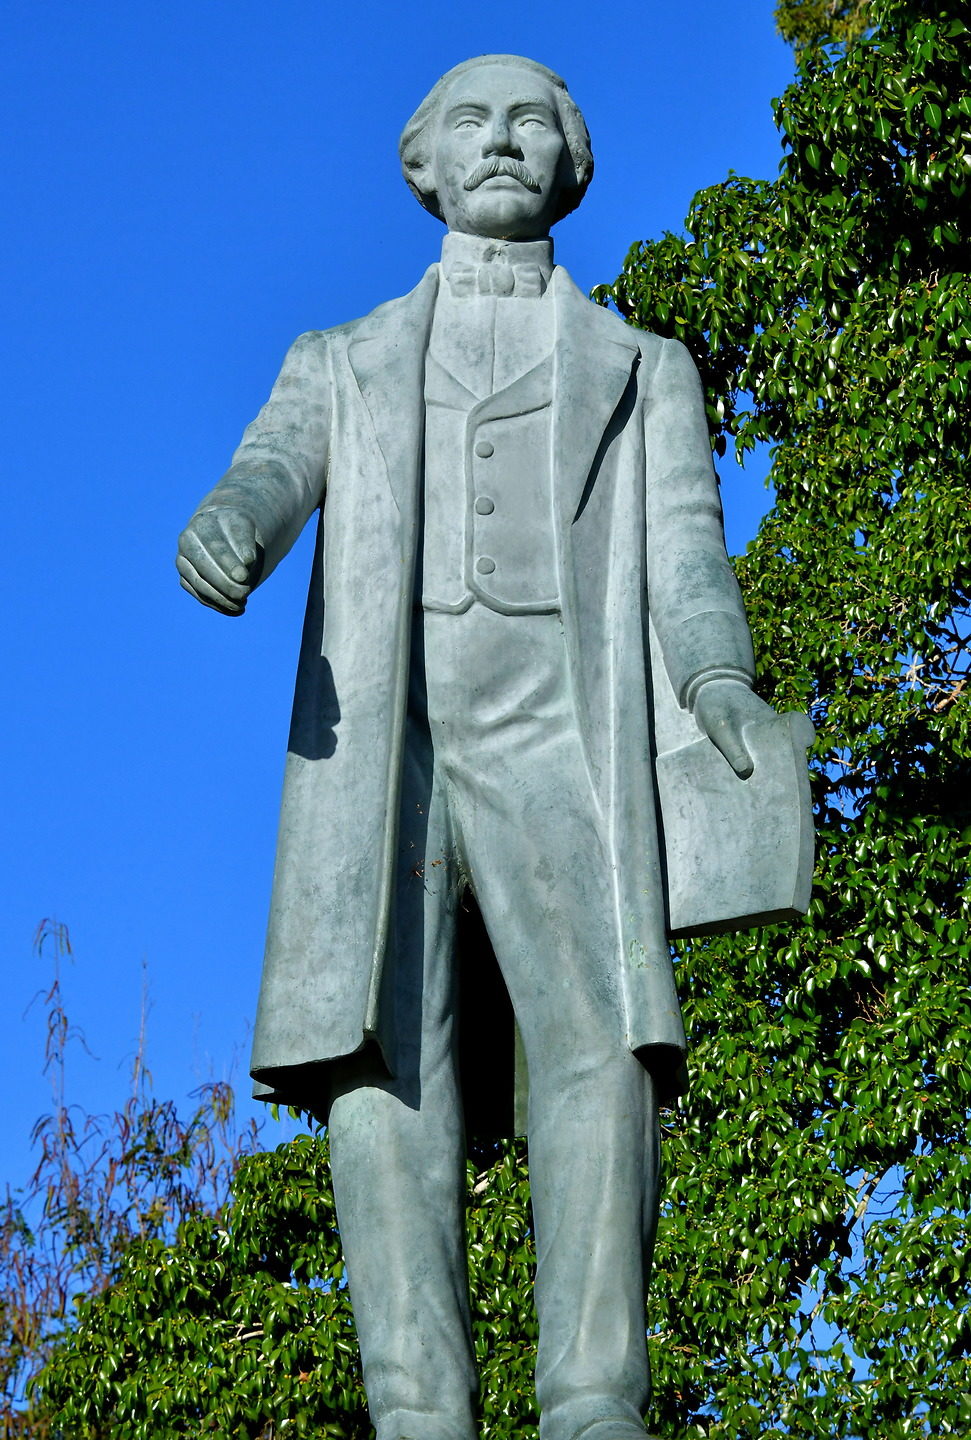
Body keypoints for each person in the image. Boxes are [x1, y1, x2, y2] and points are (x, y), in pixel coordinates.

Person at [177, 54, 778, 1440]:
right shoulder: (342, 361)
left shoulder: (645, 370)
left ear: (571, 163)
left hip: (563, 731)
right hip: (387, 743)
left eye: (532, 121)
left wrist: (720, 682)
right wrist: (236, 525)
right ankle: (418, 1405)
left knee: (600, 1048)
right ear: (423, 167)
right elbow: (274, 468)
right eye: (471, 121)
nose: (502, 140)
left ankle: (590, 1395)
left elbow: (688, 555)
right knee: (384, 1064)